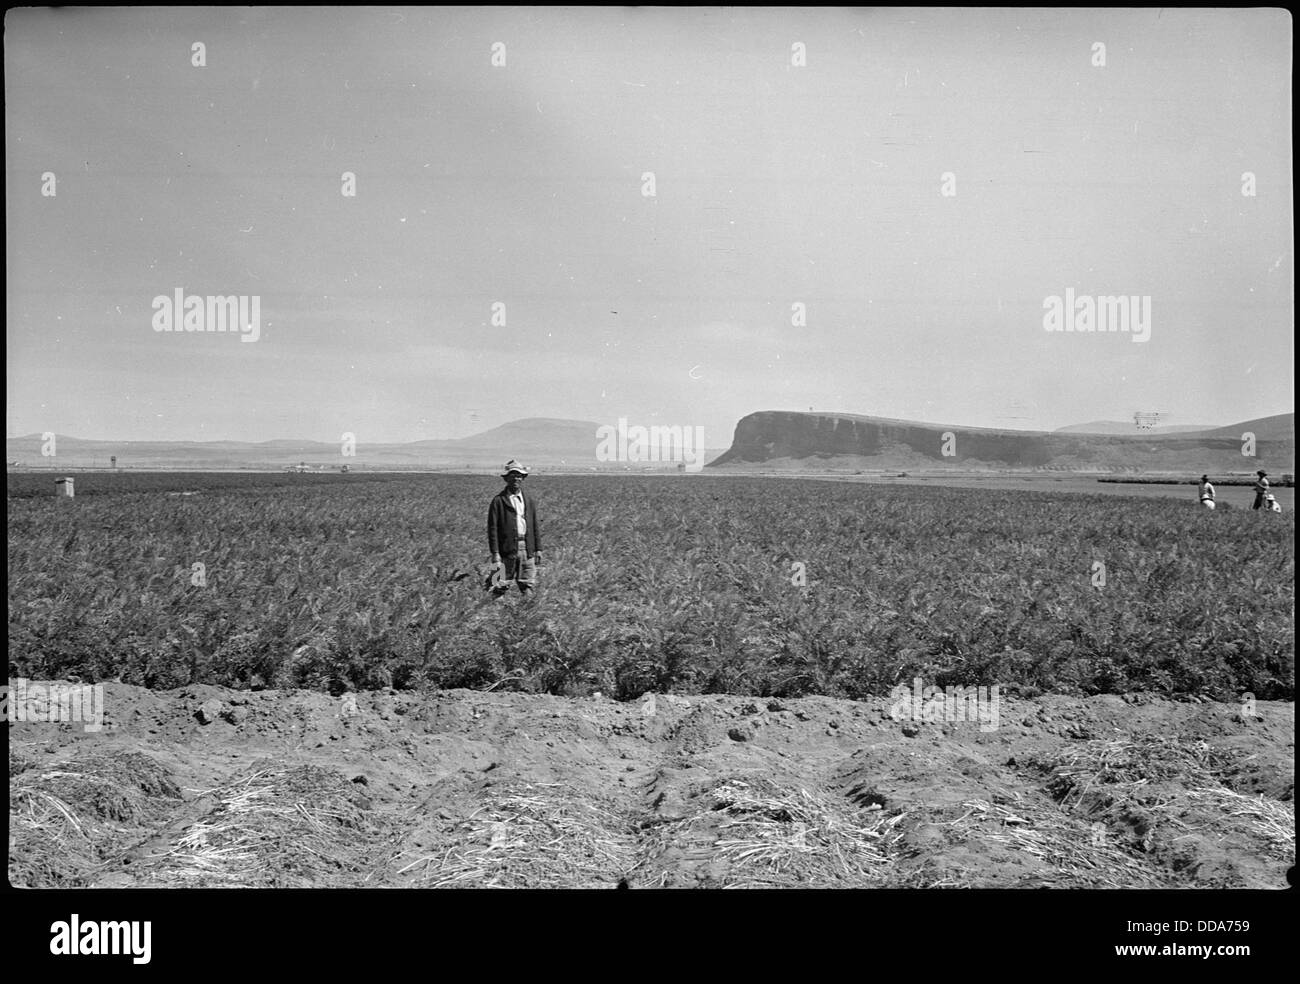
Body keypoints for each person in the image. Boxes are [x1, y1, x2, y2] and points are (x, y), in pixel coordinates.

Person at [486, 459, 542, 596]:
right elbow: (492, 530)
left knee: (527, 584)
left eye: (519, 475)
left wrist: (538, 548)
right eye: (512, 475)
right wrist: (495, 554)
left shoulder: (528, 499)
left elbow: (534, 525)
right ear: (506, 479)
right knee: (498, 583)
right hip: (506, 549)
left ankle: (528, 615)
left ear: (523, 478)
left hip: (526, 548)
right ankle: (491, 612)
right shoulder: (498, 501)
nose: (516, 478)